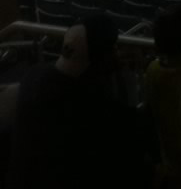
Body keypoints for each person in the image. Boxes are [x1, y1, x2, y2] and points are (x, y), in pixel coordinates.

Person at [1, 15, 148, 186]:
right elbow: (132, 145)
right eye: (112, 50)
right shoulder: (98, 112)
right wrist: (128, 78)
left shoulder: (33, 77)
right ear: (102, 61)